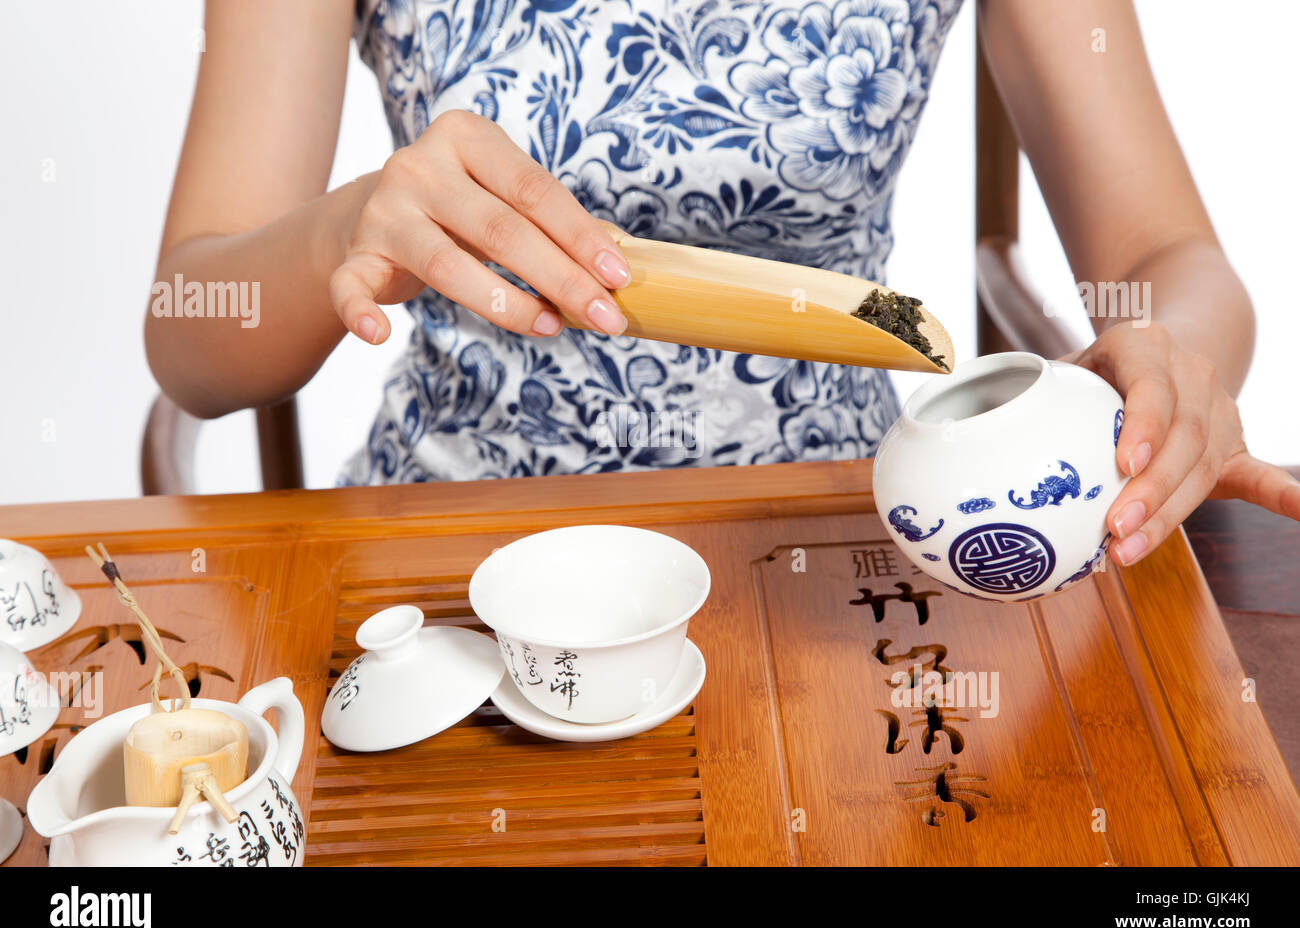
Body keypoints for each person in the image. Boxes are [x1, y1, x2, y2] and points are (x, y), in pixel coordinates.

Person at [145, 0, 1300, 567]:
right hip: (457, 552)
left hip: (845, 542)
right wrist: (346, 227)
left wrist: (1164, 351)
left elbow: (1166, 259)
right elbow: (190, 330)